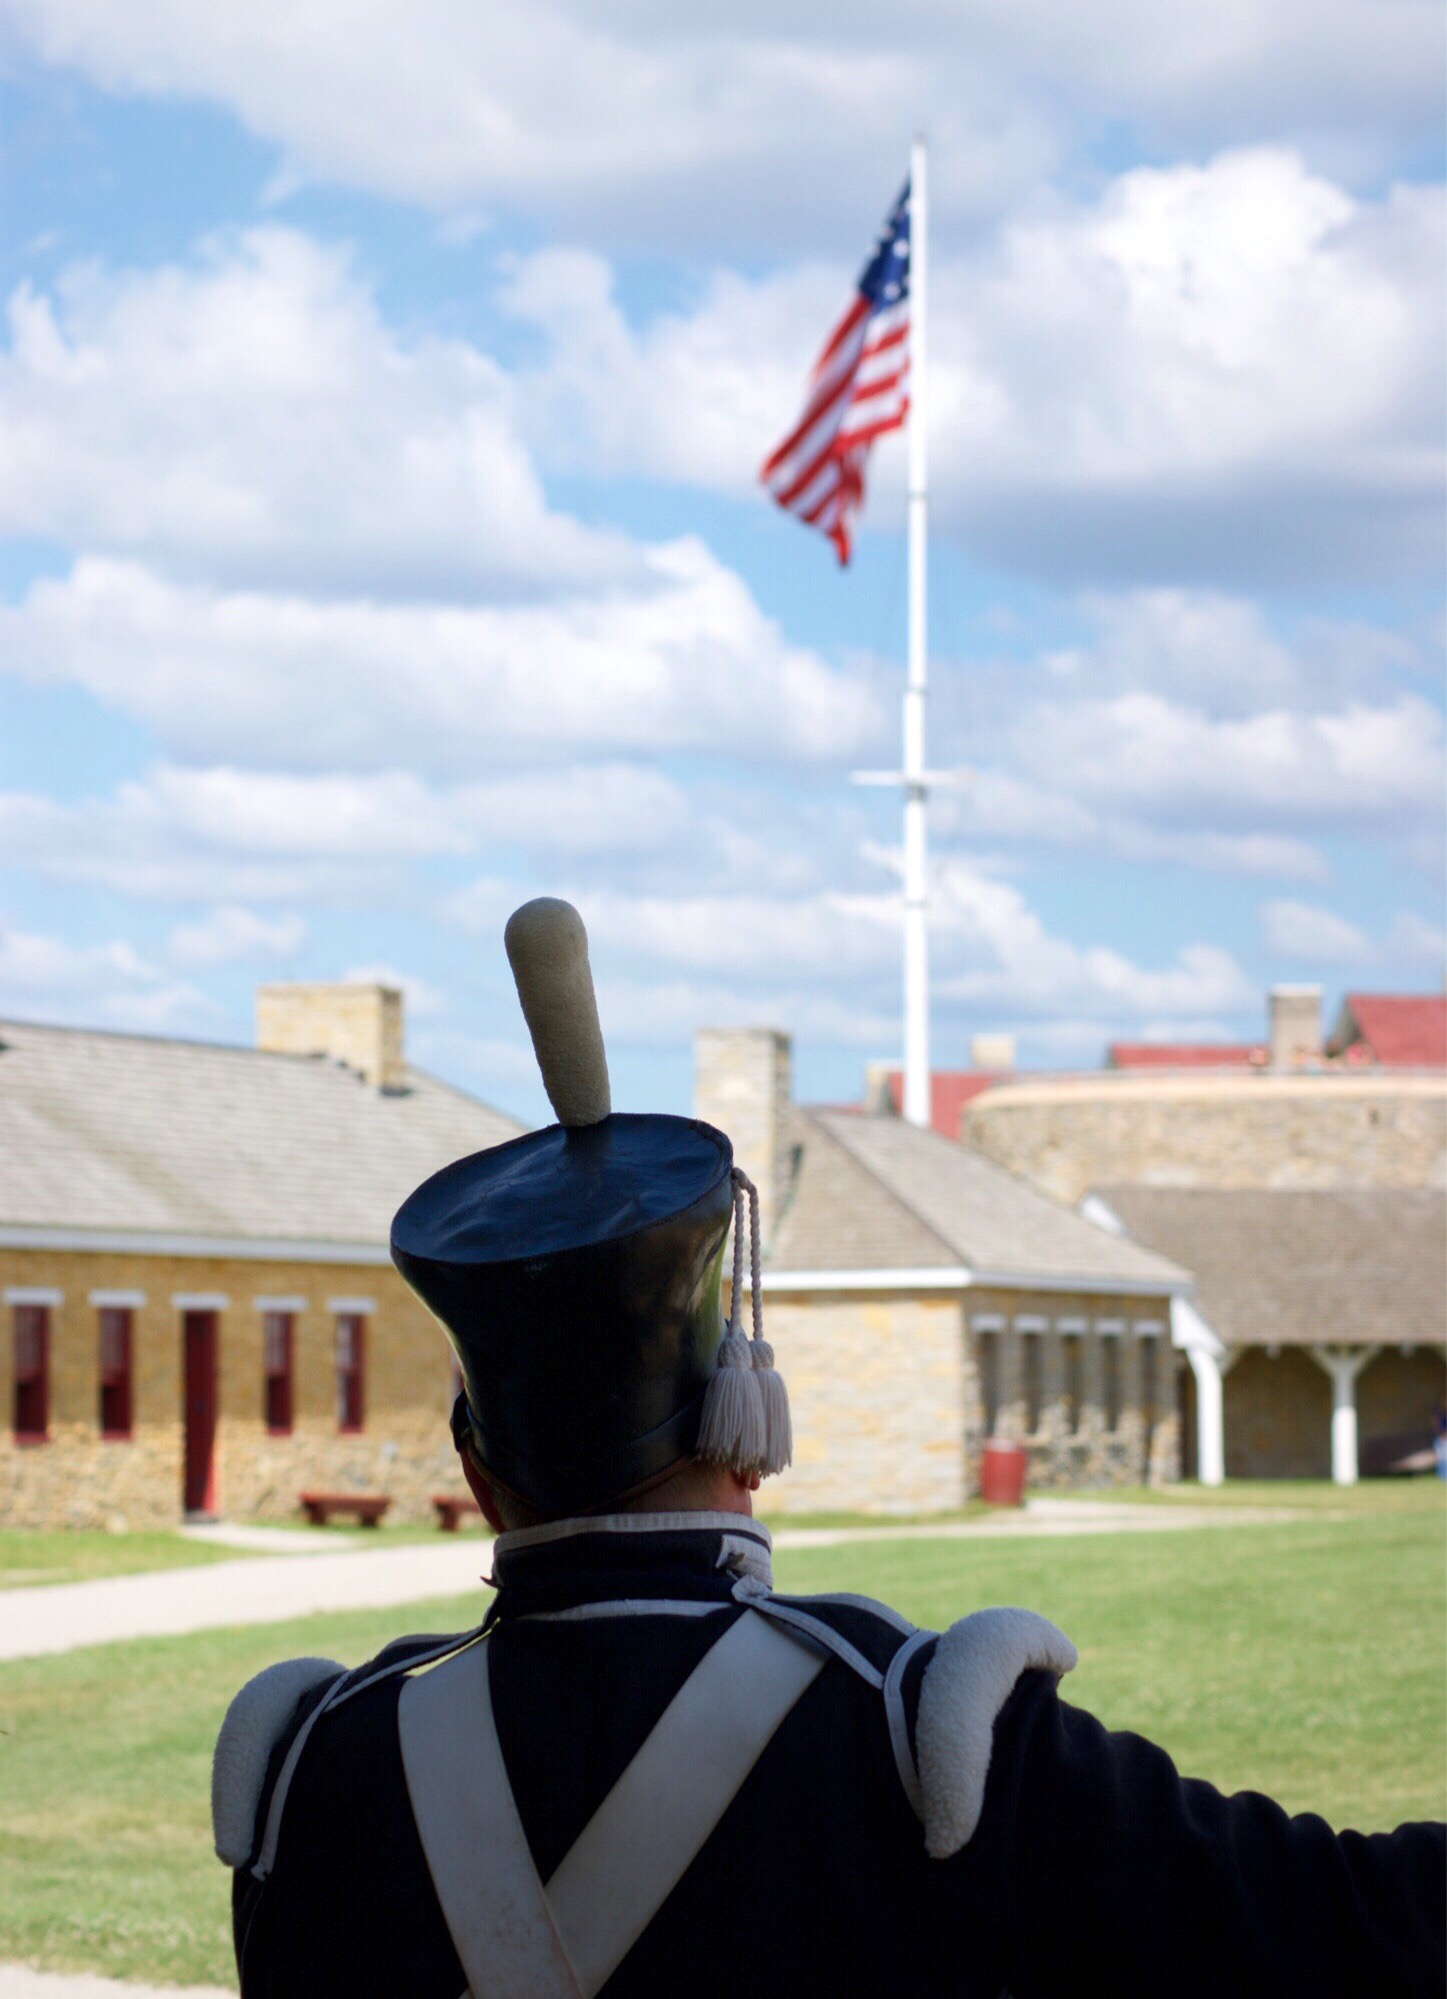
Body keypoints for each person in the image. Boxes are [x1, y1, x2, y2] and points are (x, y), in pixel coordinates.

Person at [214, 899, 1445, 1999]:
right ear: (742, 1422)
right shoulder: (926, 1743)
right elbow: (1360, 1925)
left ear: (478, 1473)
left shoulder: (314, 1777)